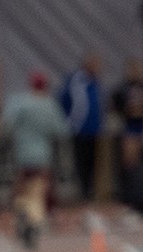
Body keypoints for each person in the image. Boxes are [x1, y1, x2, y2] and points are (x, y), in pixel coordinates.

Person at [1, 70, 70, 249]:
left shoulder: (19, 103)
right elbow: (61, 131)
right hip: (42, 157)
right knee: (38, 193)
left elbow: (6, 127)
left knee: (22, 191)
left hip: (21, 156)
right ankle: (33, 221)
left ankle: (23, 214)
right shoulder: (50, 105)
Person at [60, 54, 104, 200]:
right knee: (80, 162)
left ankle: (88, 191)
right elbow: (69, 103)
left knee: (91, 163)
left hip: (93, 130)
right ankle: (80, 192)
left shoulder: (95, 82)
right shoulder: (76, 81)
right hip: (79, 130)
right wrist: (70, 124)